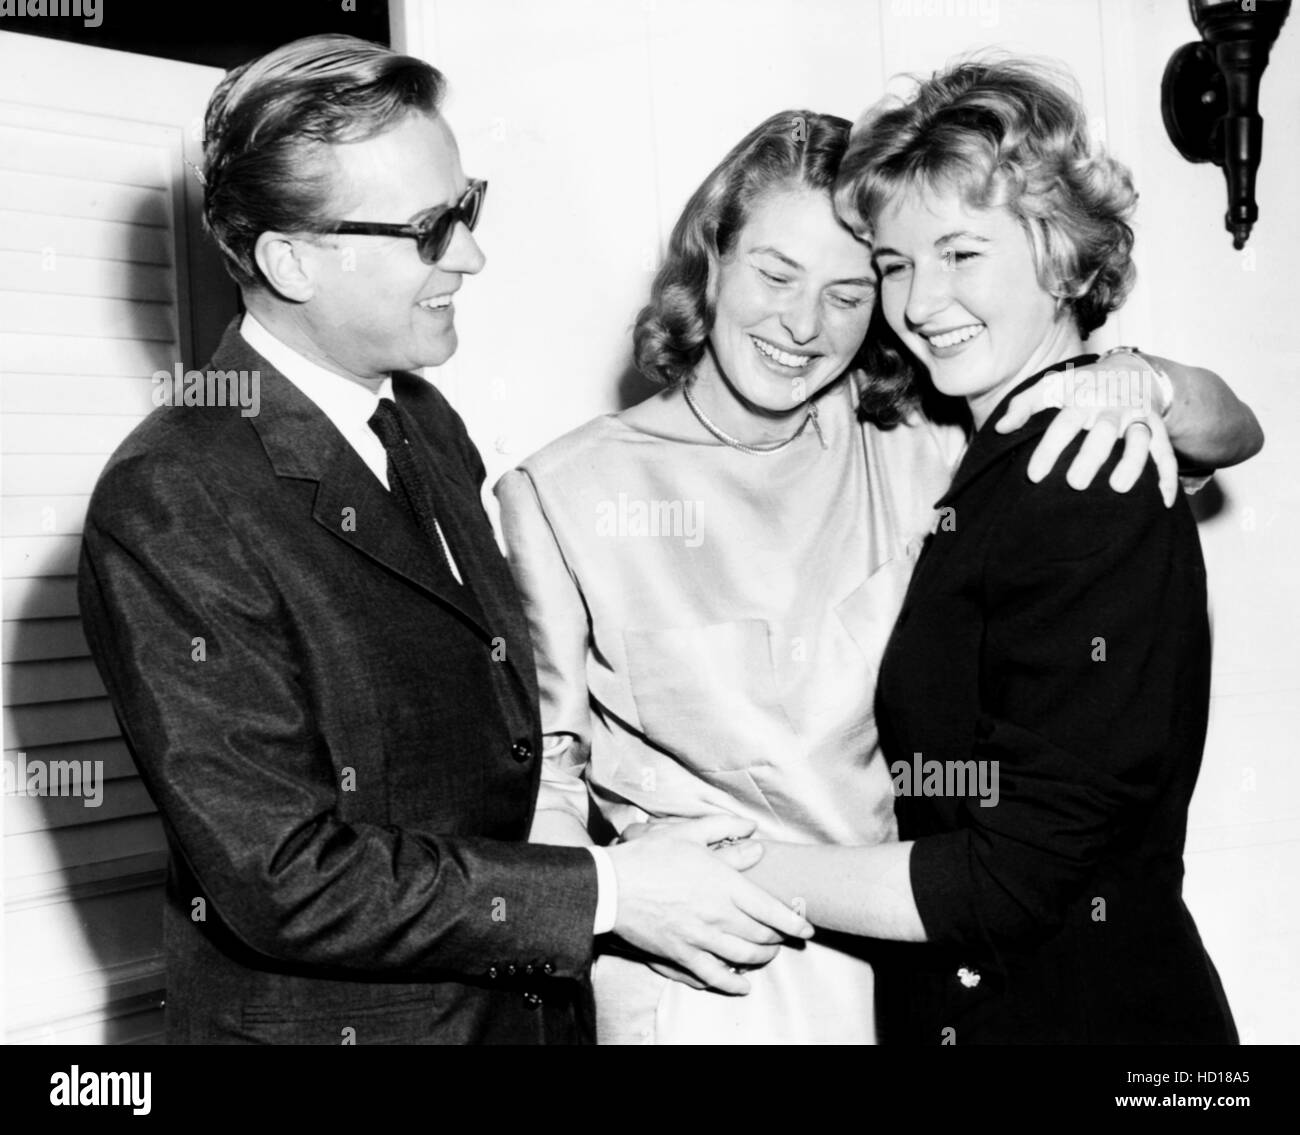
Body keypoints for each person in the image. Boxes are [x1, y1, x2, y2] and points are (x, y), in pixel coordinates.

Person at [76, 34, 812, 1046]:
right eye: (432, 228)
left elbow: (477, 759)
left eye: (467, 205)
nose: (471, 252)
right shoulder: (173, 495)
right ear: (292, 260)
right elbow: (283, 876)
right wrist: (607, 892)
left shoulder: (421, 420)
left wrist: (632, 841)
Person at [497, 108, 1261, 1043]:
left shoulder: (924, 434)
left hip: (928, 960)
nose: (803, 324)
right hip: (710, 978)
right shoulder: (562, 492)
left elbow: (1225, 433)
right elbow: (544, 780)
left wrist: (1146, 377)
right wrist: (614, 895)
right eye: (776, 273)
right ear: (710, 257)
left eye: (854, 290)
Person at [737, 58, 1246, 1043]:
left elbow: (1009, 879)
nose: (920, 300)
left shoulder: (1077, 462)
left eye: (961, 254)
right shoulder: (999, 462)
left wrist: (730, 862)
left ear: (1060, 256)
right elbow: (983, 781)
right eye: (893, 264)